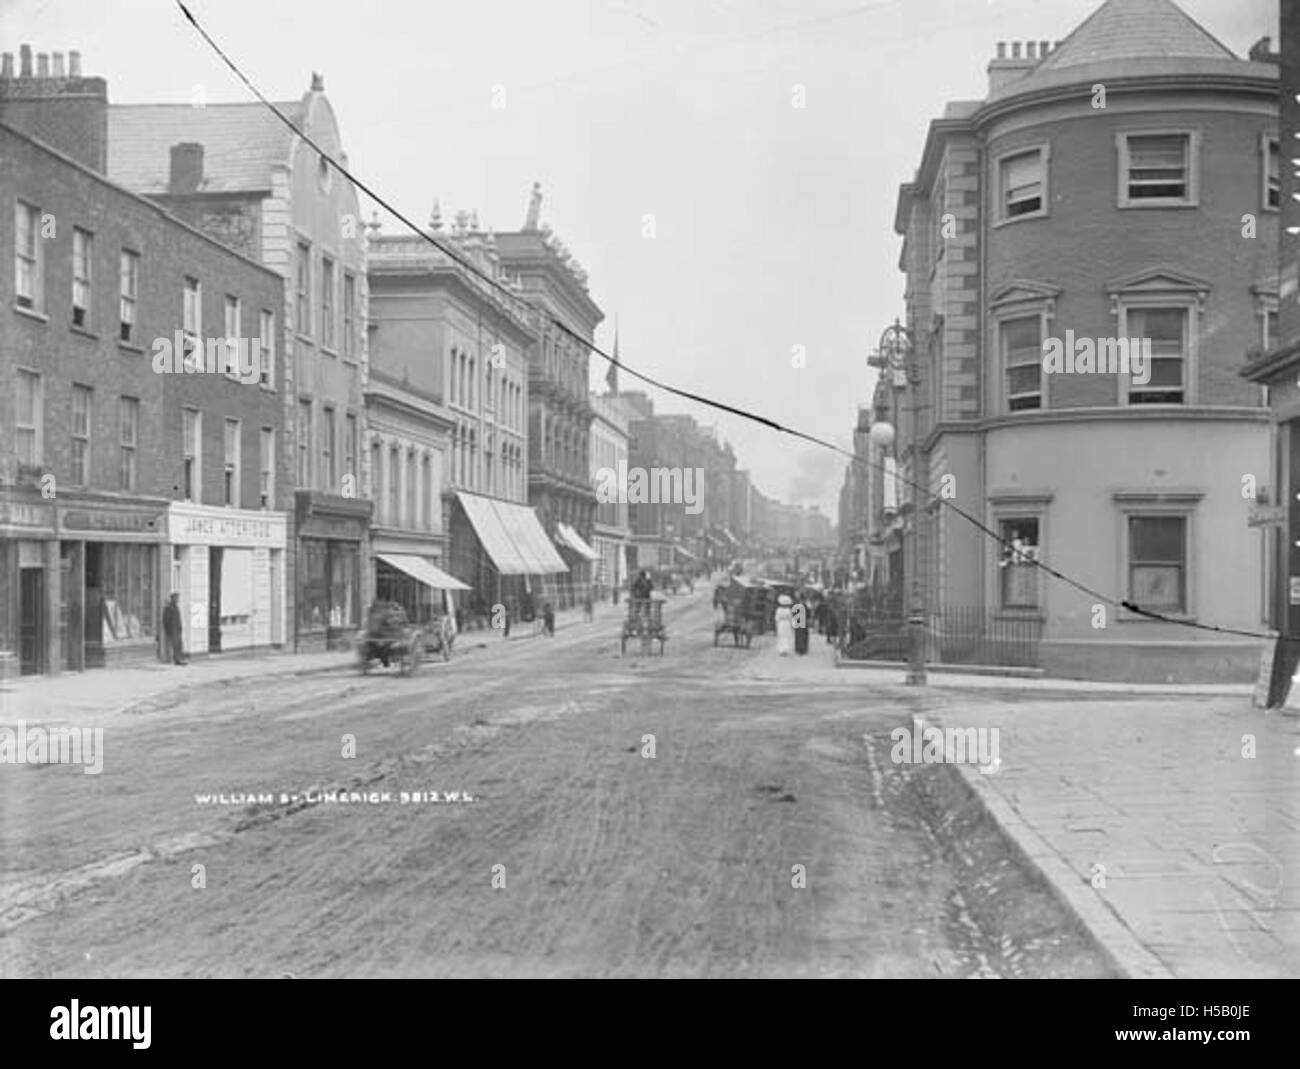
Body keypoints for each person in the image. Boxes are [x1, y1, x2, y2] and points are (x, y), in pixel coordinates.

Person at [162, 592, 186, 665]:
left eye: (178, 598)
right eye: (176, 598)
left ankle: (179, 659)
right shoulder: (168, 607)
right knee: (175, 645)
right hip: (173, 630)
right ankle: (176, 660)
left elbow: (178, 619)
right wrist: (168, 630)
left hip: (177, 629)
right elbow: (166, 620)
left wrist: (180, 627)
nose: (177, 599)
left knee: (179, 645)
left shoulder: (176, 607)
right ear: (172, 598)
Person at [794, 590, 810, 656]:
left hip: (798, 621)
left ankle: (798, 648)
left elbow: (794, 614)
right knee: (803, 635)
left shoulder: (796, 605)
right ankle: (803, 649)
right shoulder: (805, 605)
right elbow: (809, 615)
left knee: (798, 635)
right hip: (804, 621)